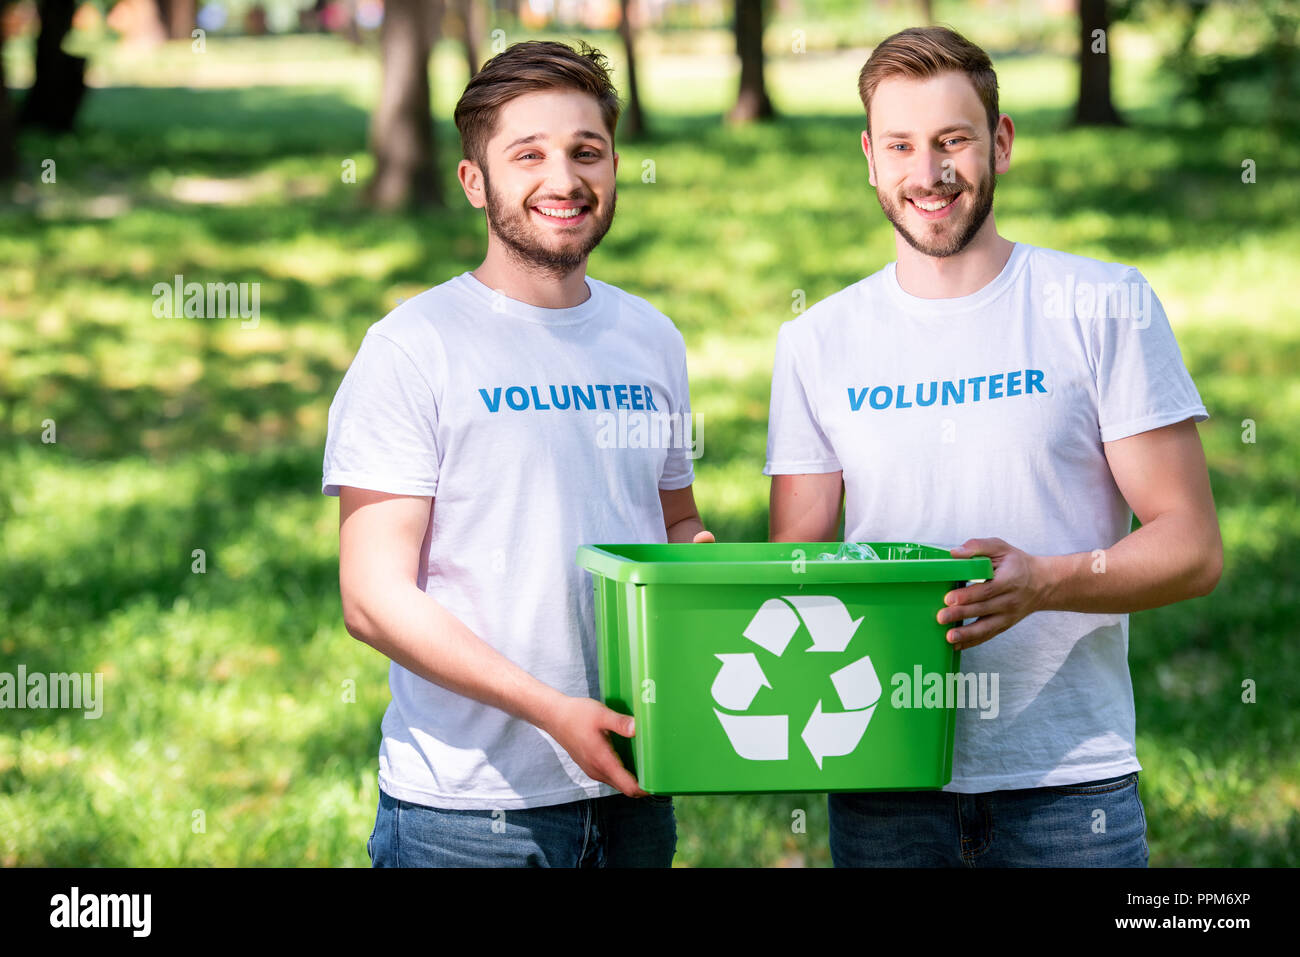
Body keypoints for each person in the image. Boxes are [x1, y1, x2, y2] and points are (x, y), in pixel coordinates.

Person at [763, 26, 1222, 867]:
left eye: (952, 141)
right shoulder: (815, 342)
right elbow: (799, 574)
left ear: (1000, 143)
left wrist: (1044, 582)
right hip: (883, 780)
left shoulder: (1103, 303)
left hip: (1066, 784)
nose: (927, 173)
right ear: (869, 157)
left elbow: (1193, 548)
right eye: (900, 144)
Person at [322, 40, 711, 868]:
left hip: (634, 790)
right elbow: (371, 597)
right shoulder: (413, 348)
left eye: (586, 152)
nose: (563, 180)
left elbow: (676, 523)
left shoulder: (651, 338)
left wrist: (698, 577)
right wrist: (549, 708)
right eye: (527, 154)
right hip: (465, 812)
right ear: (474, 181)